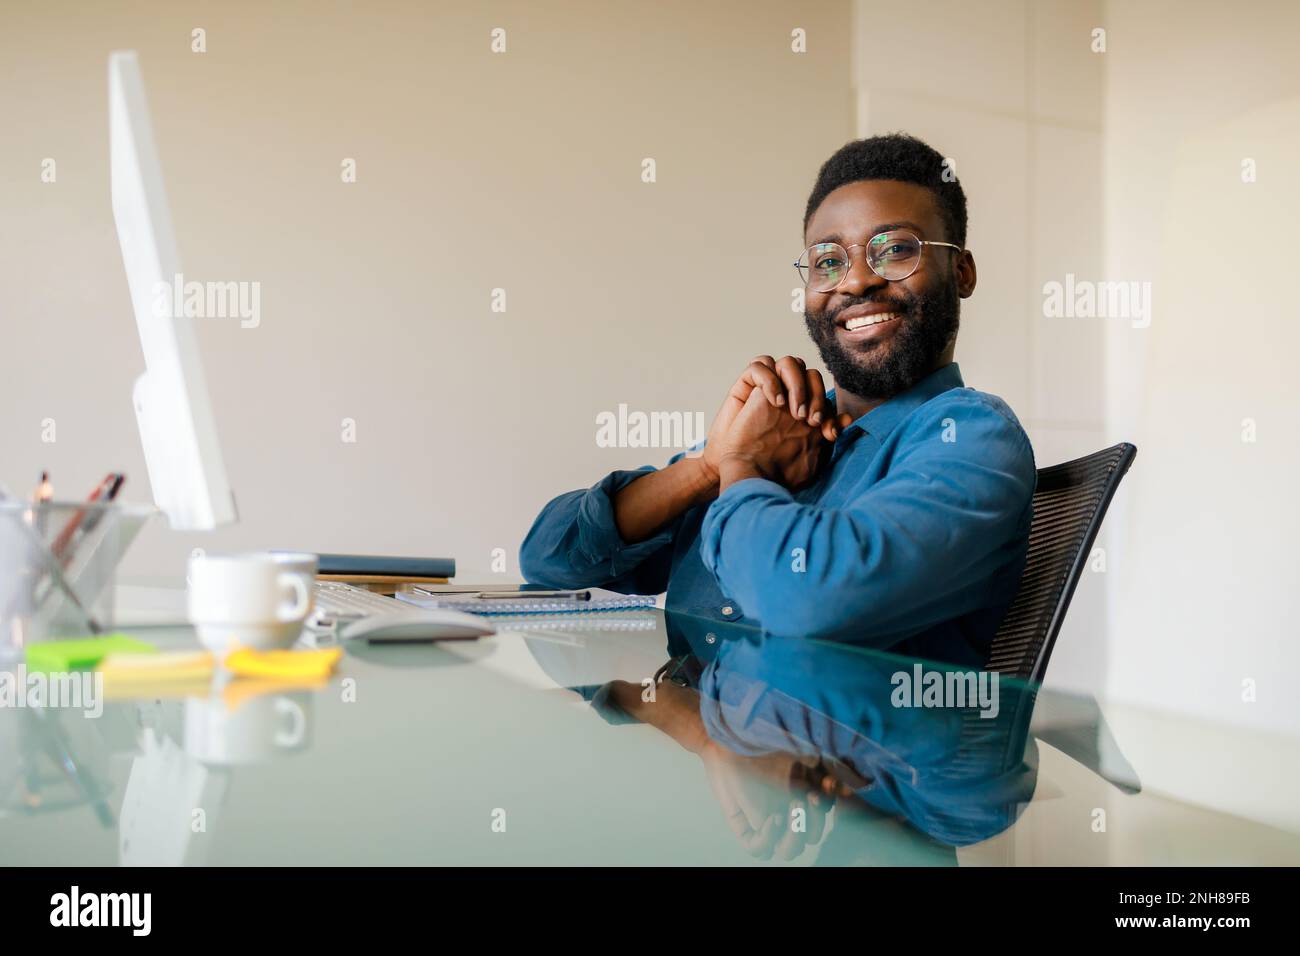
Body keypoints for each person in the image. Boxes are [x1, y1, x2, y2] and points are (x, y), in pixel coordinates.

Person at [520, 133, 1035, 667]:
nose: (855, 279)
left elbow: (808, 596)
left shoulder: (971, 436)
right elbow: (549, 559)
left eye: (896, 249)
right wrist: (705, 469)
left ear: (962, 272)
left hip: (857, 749)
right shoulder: (781, 426)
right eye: (828, 260)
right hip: (697, 738)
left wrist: (742, 468)